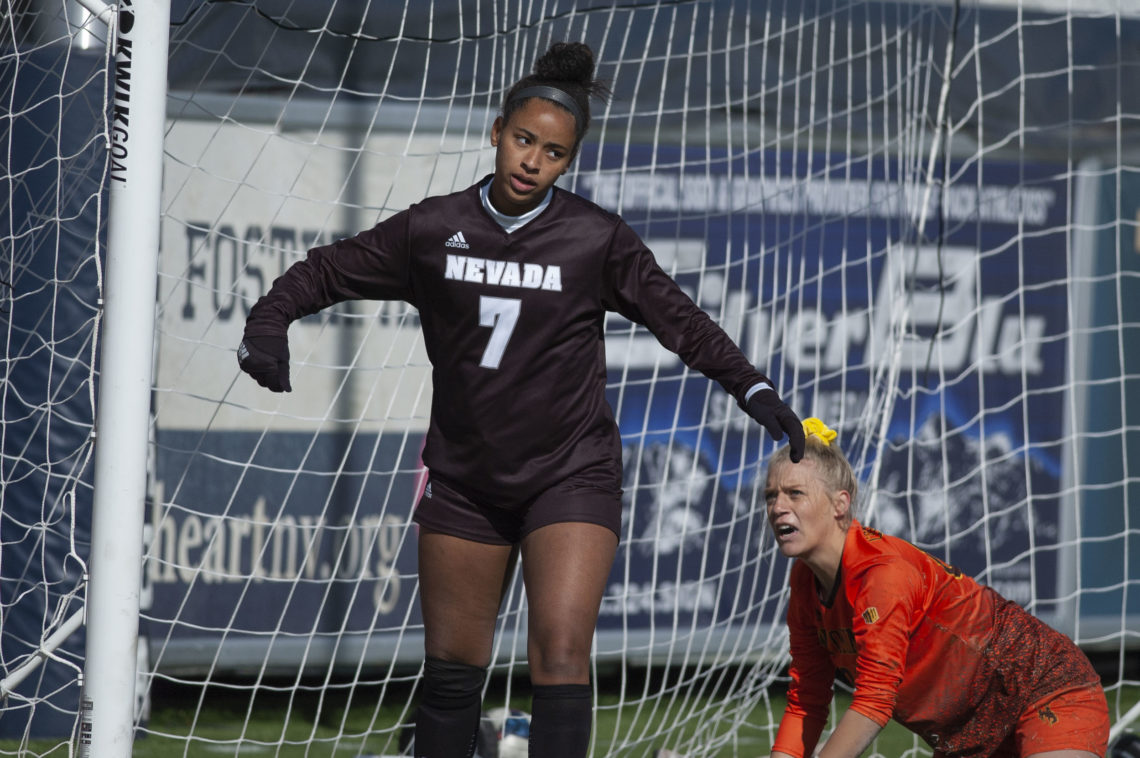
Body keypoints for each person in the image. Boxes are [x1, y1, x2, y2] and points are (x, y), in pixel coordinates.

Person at [237, 40, 805, 758]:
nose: (533, 161)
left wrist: (756, 391)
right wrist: (267, 325)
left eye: (555, 152)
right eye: (524, 140)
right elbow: (323, 271)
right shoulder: (431, 229)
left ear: (570, 161)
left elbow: (683, 324)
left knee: (562, 654)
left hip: (570, 472)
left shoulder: (594, 239)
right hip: (467, 480)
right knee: (451, 675)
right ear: (497, 131)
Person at [764, 418, 1110, 758]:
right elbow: (807, 697)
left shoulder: (880, 574)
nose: (778, 507)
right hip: (965, 738)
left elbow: (874, 701)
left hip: (1043, 690)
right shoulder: (805, 582)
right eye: (771, 496)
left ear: (840, 504)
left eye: (795, 494)